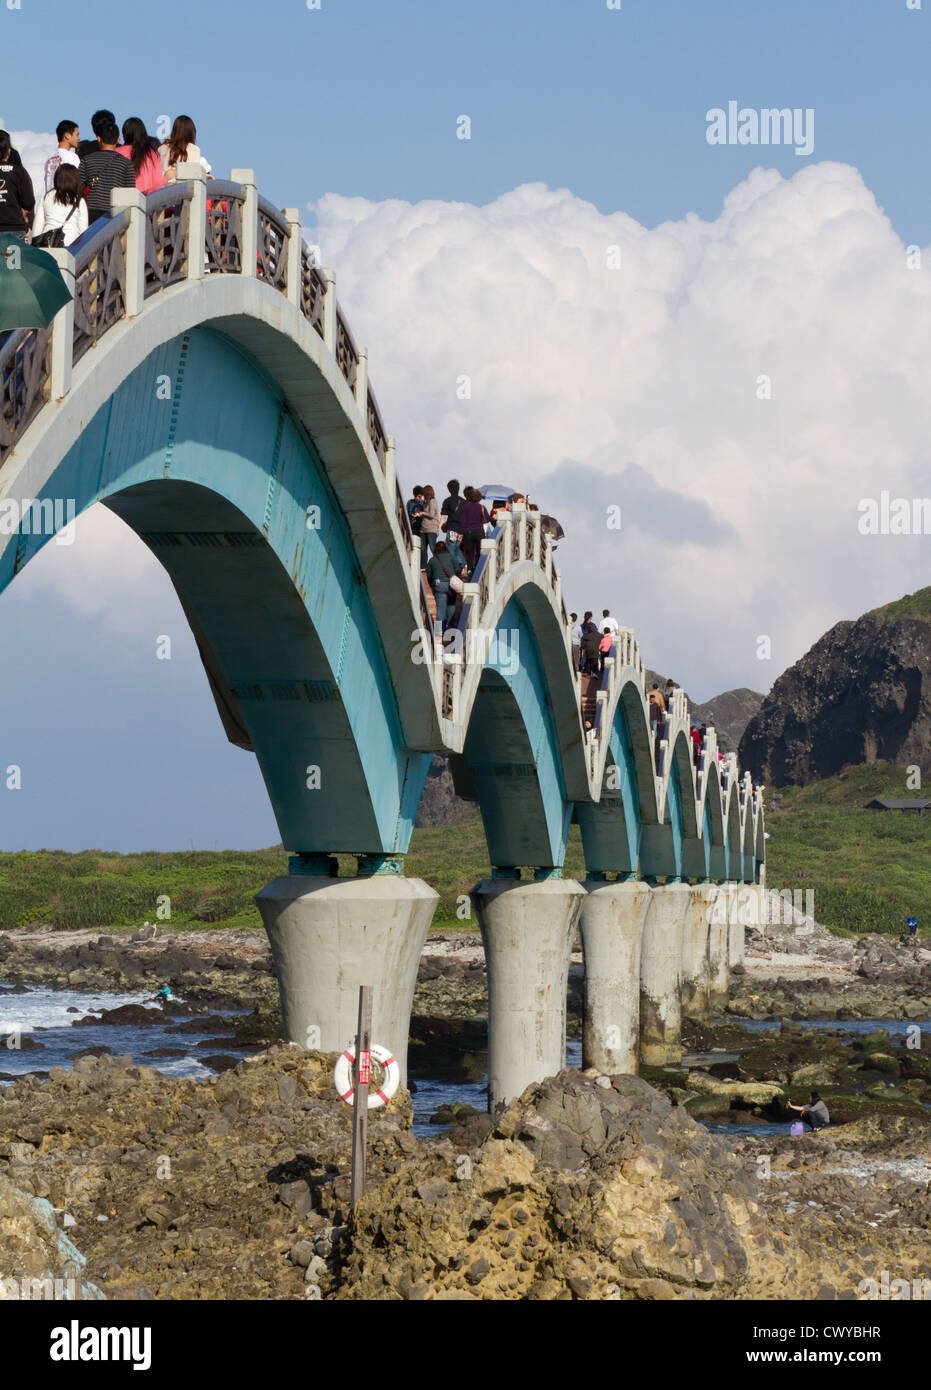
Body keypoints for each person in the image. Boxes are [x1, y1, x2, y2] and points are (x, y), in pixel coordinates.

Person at [78, 120, 134, 223]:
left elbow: (78, 188)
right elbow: (130, 193)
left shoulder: (86, 160)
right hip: (114, 215)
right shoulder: (126, 163)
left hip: (90, 214)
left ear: (99, 139)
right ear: (118, 140)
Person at [31, 165, 88, 248]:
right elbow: (83, 230)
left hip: (48, 244)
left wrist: (35, 243)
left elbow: (37, 227)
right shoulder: (79, 200)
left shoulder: (47, 197)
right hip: (72, 244)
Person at [117, 117, 166, 195]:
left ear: (125, 134)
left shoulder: (117, 153)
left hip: (122, 202)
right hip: (147, 202)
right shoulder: (153, 154)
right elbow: (159, 183)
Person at [0, 132, 35, 239]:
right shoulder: (19, 172)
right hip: (13, 229)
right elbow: (29, 203)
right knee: (8, 256)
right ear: (9, 152)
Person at [159, 115, 212, 181]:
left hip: (165, 188)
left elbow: (163, 172)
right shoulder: (194, 149)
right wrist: (203, 175)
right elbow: (193, 173)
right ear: (192, 132)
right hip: (187, 188)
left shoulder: (163, 148)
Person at [427, 540, 460, 630]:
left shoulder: (432, 560)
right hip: (451, 584)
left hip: (439, 584)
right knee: (451, 604)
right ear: (446, 548)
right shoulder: (451, 557)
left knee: (440, 610)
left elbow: (429, 576)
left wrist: (432, 587)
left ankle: (438, 632)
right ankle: (449, 626)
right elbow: (457, 569)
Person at [44, 120, 80, 193]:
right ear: (67, 135)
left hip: (49, 200)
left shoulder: (49, 159)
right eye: (77, 135)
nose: (78, 138)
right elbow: (77, 183)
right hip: (65, 201)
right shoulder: (72, 157)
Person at [459, 487, 490, 572]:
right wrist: (494, 517)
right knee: (480, 550)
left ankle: (469, 568)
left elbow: (463, 521)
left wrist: (461, 533)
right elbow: (488, 518)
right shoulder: (481, 507)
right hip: (479, 531)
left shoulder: (465, 507)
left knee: (470, 551)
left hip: (468, 532)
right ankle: (478, 567)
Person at [440, 478, 466, 567]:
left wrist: (438, 528)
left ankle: (454, 567)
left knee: (450, 548)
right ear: (458, 488)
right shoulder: (464, 502)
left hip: (452, 529)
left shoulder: (447, 501)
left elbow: (443, 516)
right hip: (461, 531)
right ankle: (463, 564)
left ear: (449, 489)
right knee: (456, 548)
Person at [419, 484, 440, 562]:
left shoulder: (432, 501)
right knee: (423, 549)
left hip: (431, 529)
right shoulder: (425, 502)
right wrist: (419, 514)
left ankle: (438, 563)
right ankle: (424, 566)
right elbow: (425, 515)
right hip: (423, 529)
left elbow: (431, 515)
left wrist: (422, 513)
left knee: (432, 548)